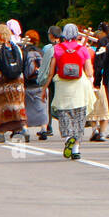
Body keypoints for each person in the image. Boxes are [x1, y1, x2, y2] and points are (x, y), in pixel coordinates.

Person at [46, 23, 93, 159]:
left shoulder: (58, 49)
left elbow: (51, 71)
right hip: (79, 86)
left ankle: (68, 139)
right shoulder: (82, 49)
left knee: (64, 114)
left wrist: (45, 87)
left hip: (63, 86)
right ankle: (76, 149)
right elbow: (89, 71)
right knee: (79, 116)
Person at [0, 23, 28, 140]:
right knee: (17, 105)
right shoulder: (16, 48)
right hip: (17, 82)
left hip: (3, 83)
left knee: (3, 107)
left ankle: (1, 133)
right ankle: (21, 129)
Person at [21, 29, 48, 142]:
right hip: (40, 84)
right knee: (42, 107)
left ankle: (25, 129)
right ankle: (43, 129)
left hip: (27, 84)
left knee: (25, 107)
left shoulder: (23, 52)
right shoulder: (41, 52)